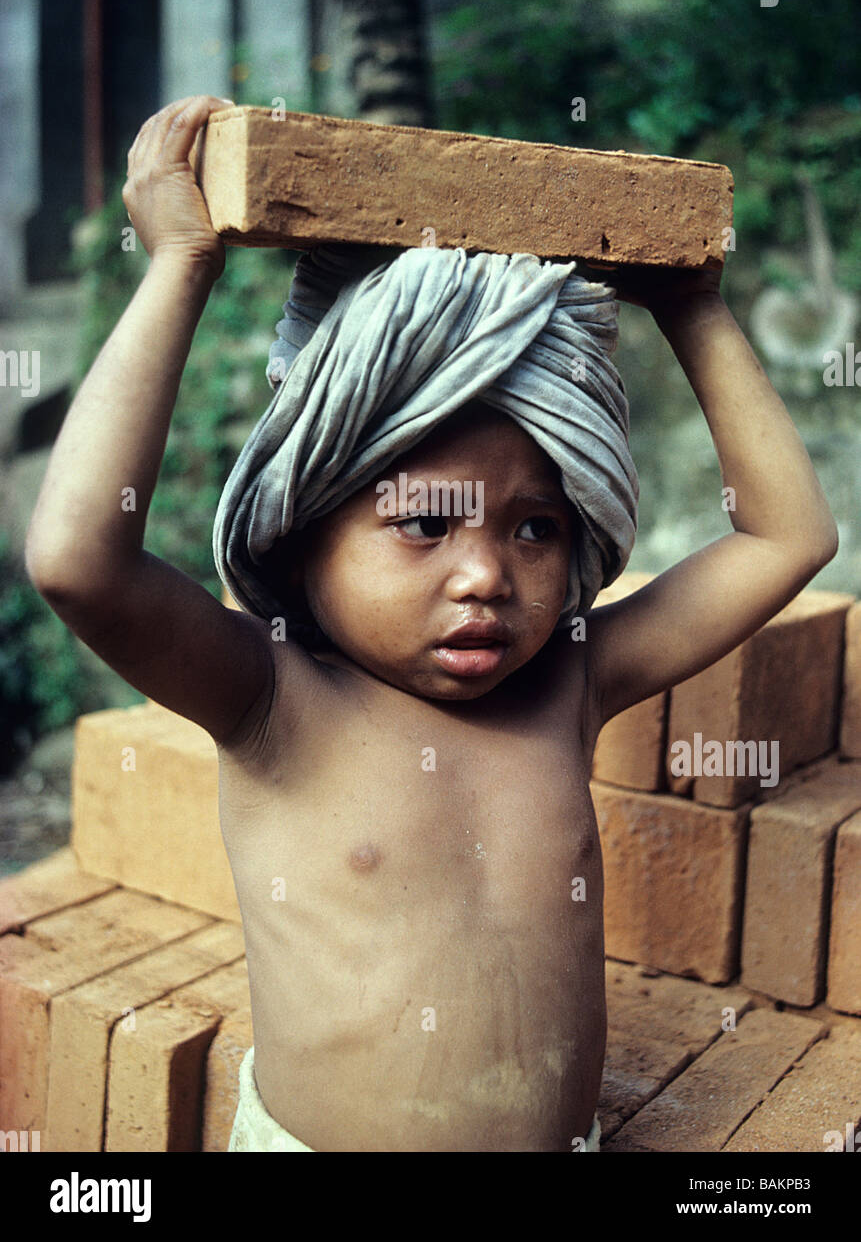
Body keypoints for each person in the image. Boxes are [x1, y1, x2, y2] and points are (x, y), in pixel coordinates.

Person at [25, 96, 838, 1153]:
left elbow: (788, 538)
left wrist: (690, 307)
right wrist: (180, 266)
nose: (486, 575)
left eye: (536, 527)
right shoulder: (273, 698)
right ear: (302, 528)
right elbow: (80, 563)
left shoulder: (567, 682)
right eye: (422, 524)